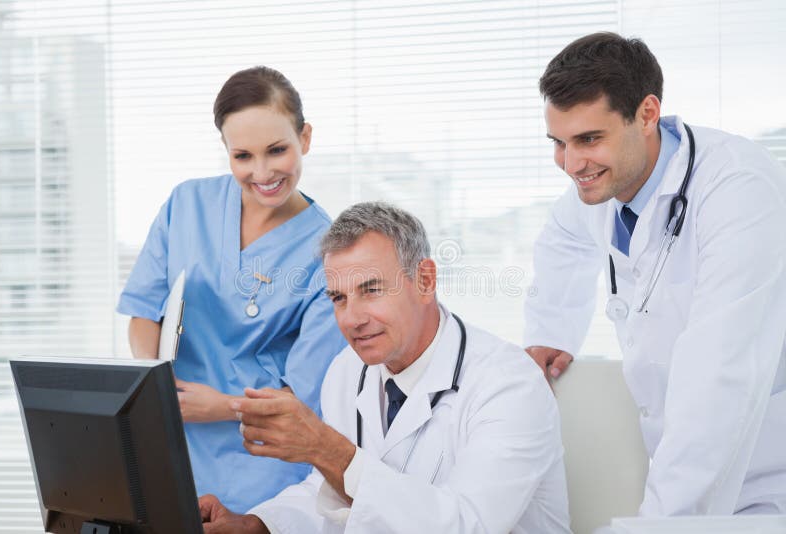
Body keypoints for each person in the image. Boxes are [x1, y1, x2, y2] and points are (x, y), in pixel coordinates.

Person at [524, 32, 786, 516]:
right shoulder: (604, 186)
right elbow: (561, 241)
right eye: (558, 143)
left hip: (768, 468)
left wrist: (660, 524)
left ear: (646, 114)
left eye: (589, 139)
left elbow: (719, 375)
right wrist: (551, 332)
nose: (570, 163)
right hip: (677, 460)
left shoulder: (736, 187)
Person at [199, 202, 571, 533]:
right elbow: (327, 492)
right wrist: (259, 524)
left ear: (424, 281)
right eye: (339, 298)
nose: (352, 319)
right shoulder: (347, 370)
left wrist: (326, 449)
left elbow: (468, 524)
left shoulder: (509, 383)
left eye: (371, 290)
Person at [116, 66, 348, 513]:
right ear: (226, 151)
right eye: (243, 156)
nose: (262, 172)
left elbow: (302, 392)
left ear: (306, 138)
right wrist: (157, 386)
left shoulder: (329, 250)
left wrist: (221, 406)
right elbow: (144, 310)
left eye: (277, 150)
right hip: (173, 438)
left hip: (261, 458)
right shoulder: (186, 203)